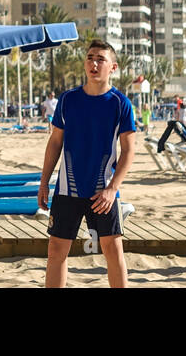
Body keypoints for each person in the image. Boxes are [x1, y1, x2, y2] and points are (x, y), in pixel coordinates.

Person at [38, 40, 137, 289]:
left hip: (102, 191)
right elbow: (54, 143)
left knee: (112, 250)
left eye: (100, 59)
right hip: (66, 190)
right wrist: (43, 183)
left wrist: (113, 189)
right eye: (90, 58)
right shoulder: (68, 99)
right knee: (56, 250)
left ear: (112, 67)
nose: (93, 63)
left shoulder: (120, 104)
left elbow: (128, 151)